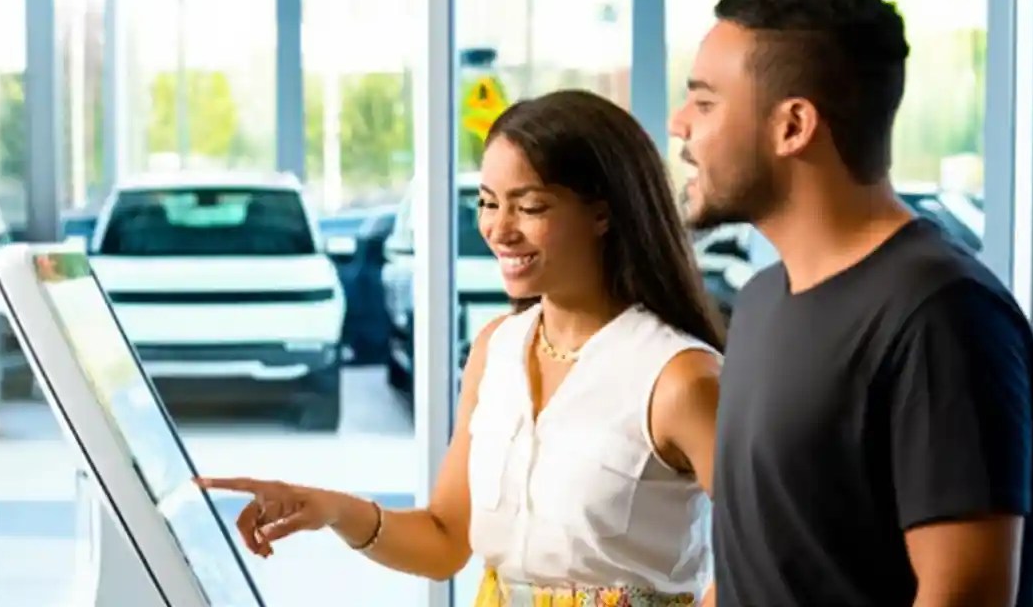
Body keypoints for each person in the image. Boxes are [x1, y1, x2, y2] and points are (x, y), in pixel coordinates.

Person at [198, 89, 726, 605]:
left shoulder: (679, 378)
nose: (498, 229)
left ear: (603, 214)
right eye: (488, 203)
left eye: (531, 206)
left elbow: (777, 553)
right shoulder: (497, 349)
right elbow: (446, 538)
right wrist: (332, 509)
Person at [670, 0, 1033, 607]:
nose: (680, 124)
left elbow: (965, 594)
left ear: (793, 126)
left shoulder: (941, 313)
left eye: (705, 103)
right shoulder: (760, 303)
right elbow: (761, 570)